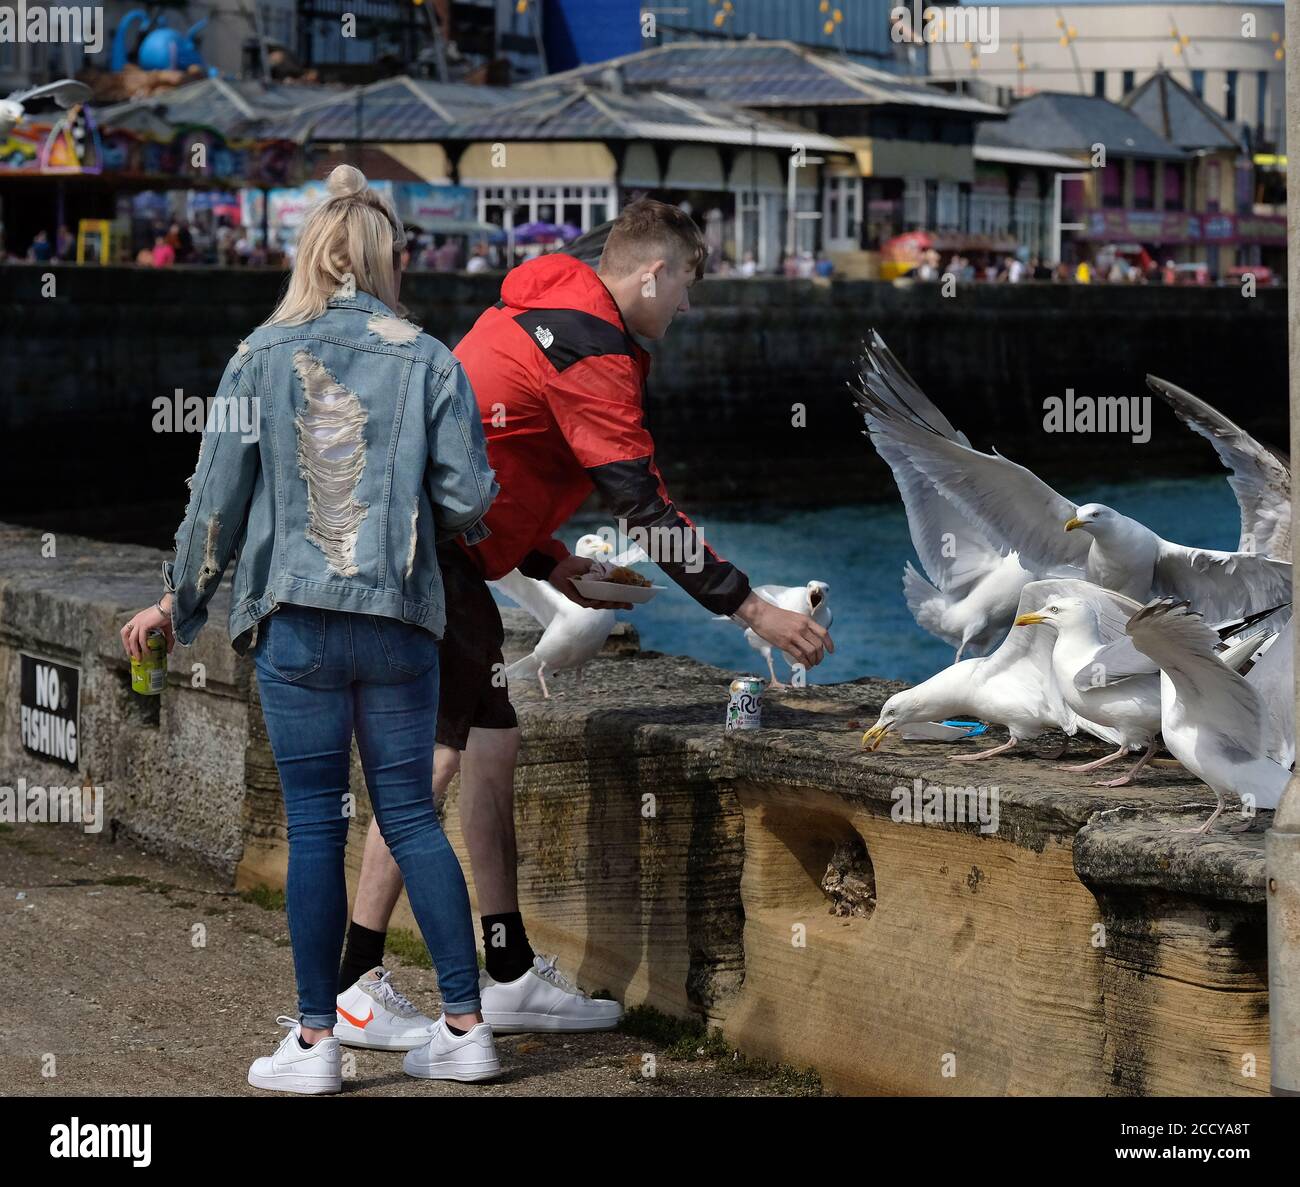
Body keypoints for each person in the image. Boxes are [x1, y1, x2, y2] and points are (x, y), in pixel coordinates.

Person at [331, 197, 834, 1043]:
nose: (688, 307)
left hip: (429, 540)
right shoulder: (593, 346)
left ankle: (510, 971)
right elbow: (642, 504)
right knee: (442, 752)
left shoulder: (548, 303)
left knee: (491, 743)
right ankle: (354, 982)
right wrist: (753, 608)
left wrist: (548, 558)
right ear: (653, 272)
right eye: (686, 286)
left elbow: (492, 457)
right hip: (427, 555)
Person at [119, 164, 503, 1094]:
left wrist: (177, 603)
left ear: (309, 253)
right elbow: (470, 497)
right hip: (401, 623)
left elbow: (215, 505)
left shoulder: (260, 353)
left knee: (315, 829)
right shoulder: (430, 357)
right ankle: (465, 1027)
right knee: (411, 816)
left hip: (296, 627)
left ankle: (317, 1041)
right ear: (385, 259)